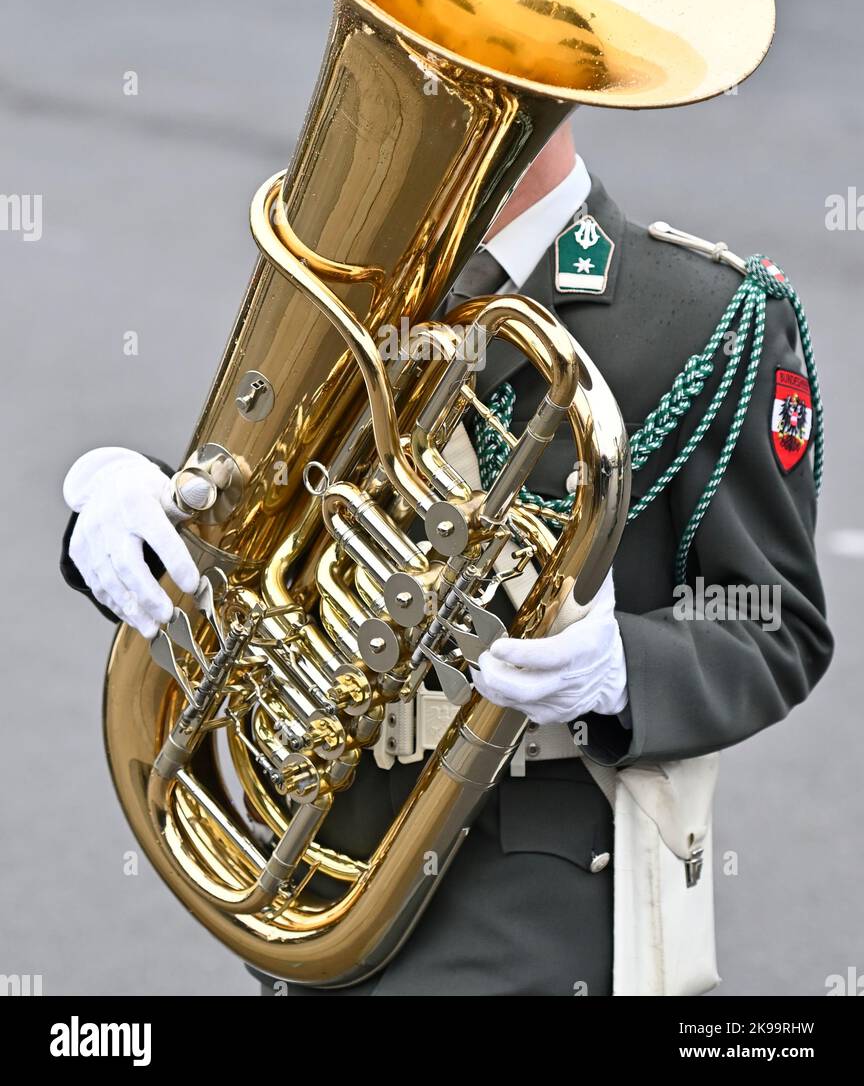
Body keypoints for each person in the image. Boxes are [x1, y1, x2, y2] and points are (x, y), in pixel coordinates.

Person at [60, 118, 831, 997]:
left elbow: (776, 624)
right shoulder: (355, 285)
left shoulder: (705, 314)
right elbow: (267, 512)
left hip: (534, 899)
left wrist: (626, 671)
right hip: (323, 856)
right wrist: (132, 502)